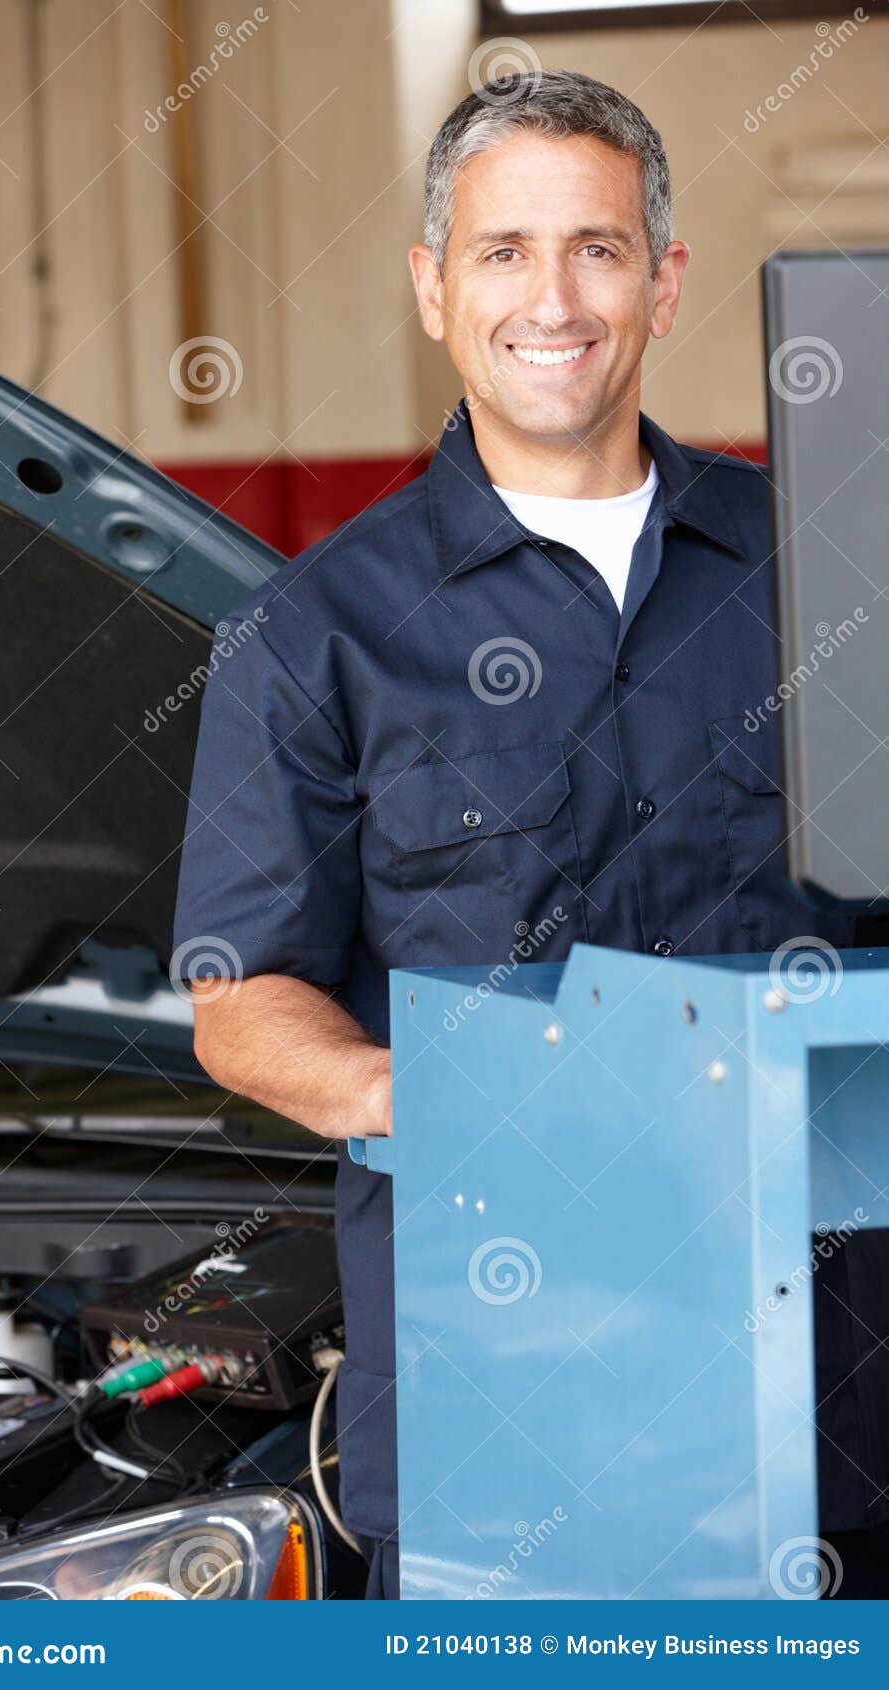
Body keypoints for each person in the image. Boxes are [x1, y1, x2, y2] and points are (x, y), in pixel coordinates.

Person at [170, 70, 856, 1599]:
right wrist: (415, 1093)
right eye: (503, 252)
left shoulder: (819, 573)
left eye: (598, 248)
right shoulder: (311, 635)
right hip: (498, 1385)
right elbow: (241, 995)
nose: (553, 299)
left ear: (663, 283)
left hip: (826, 1382)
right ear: (433, 287)